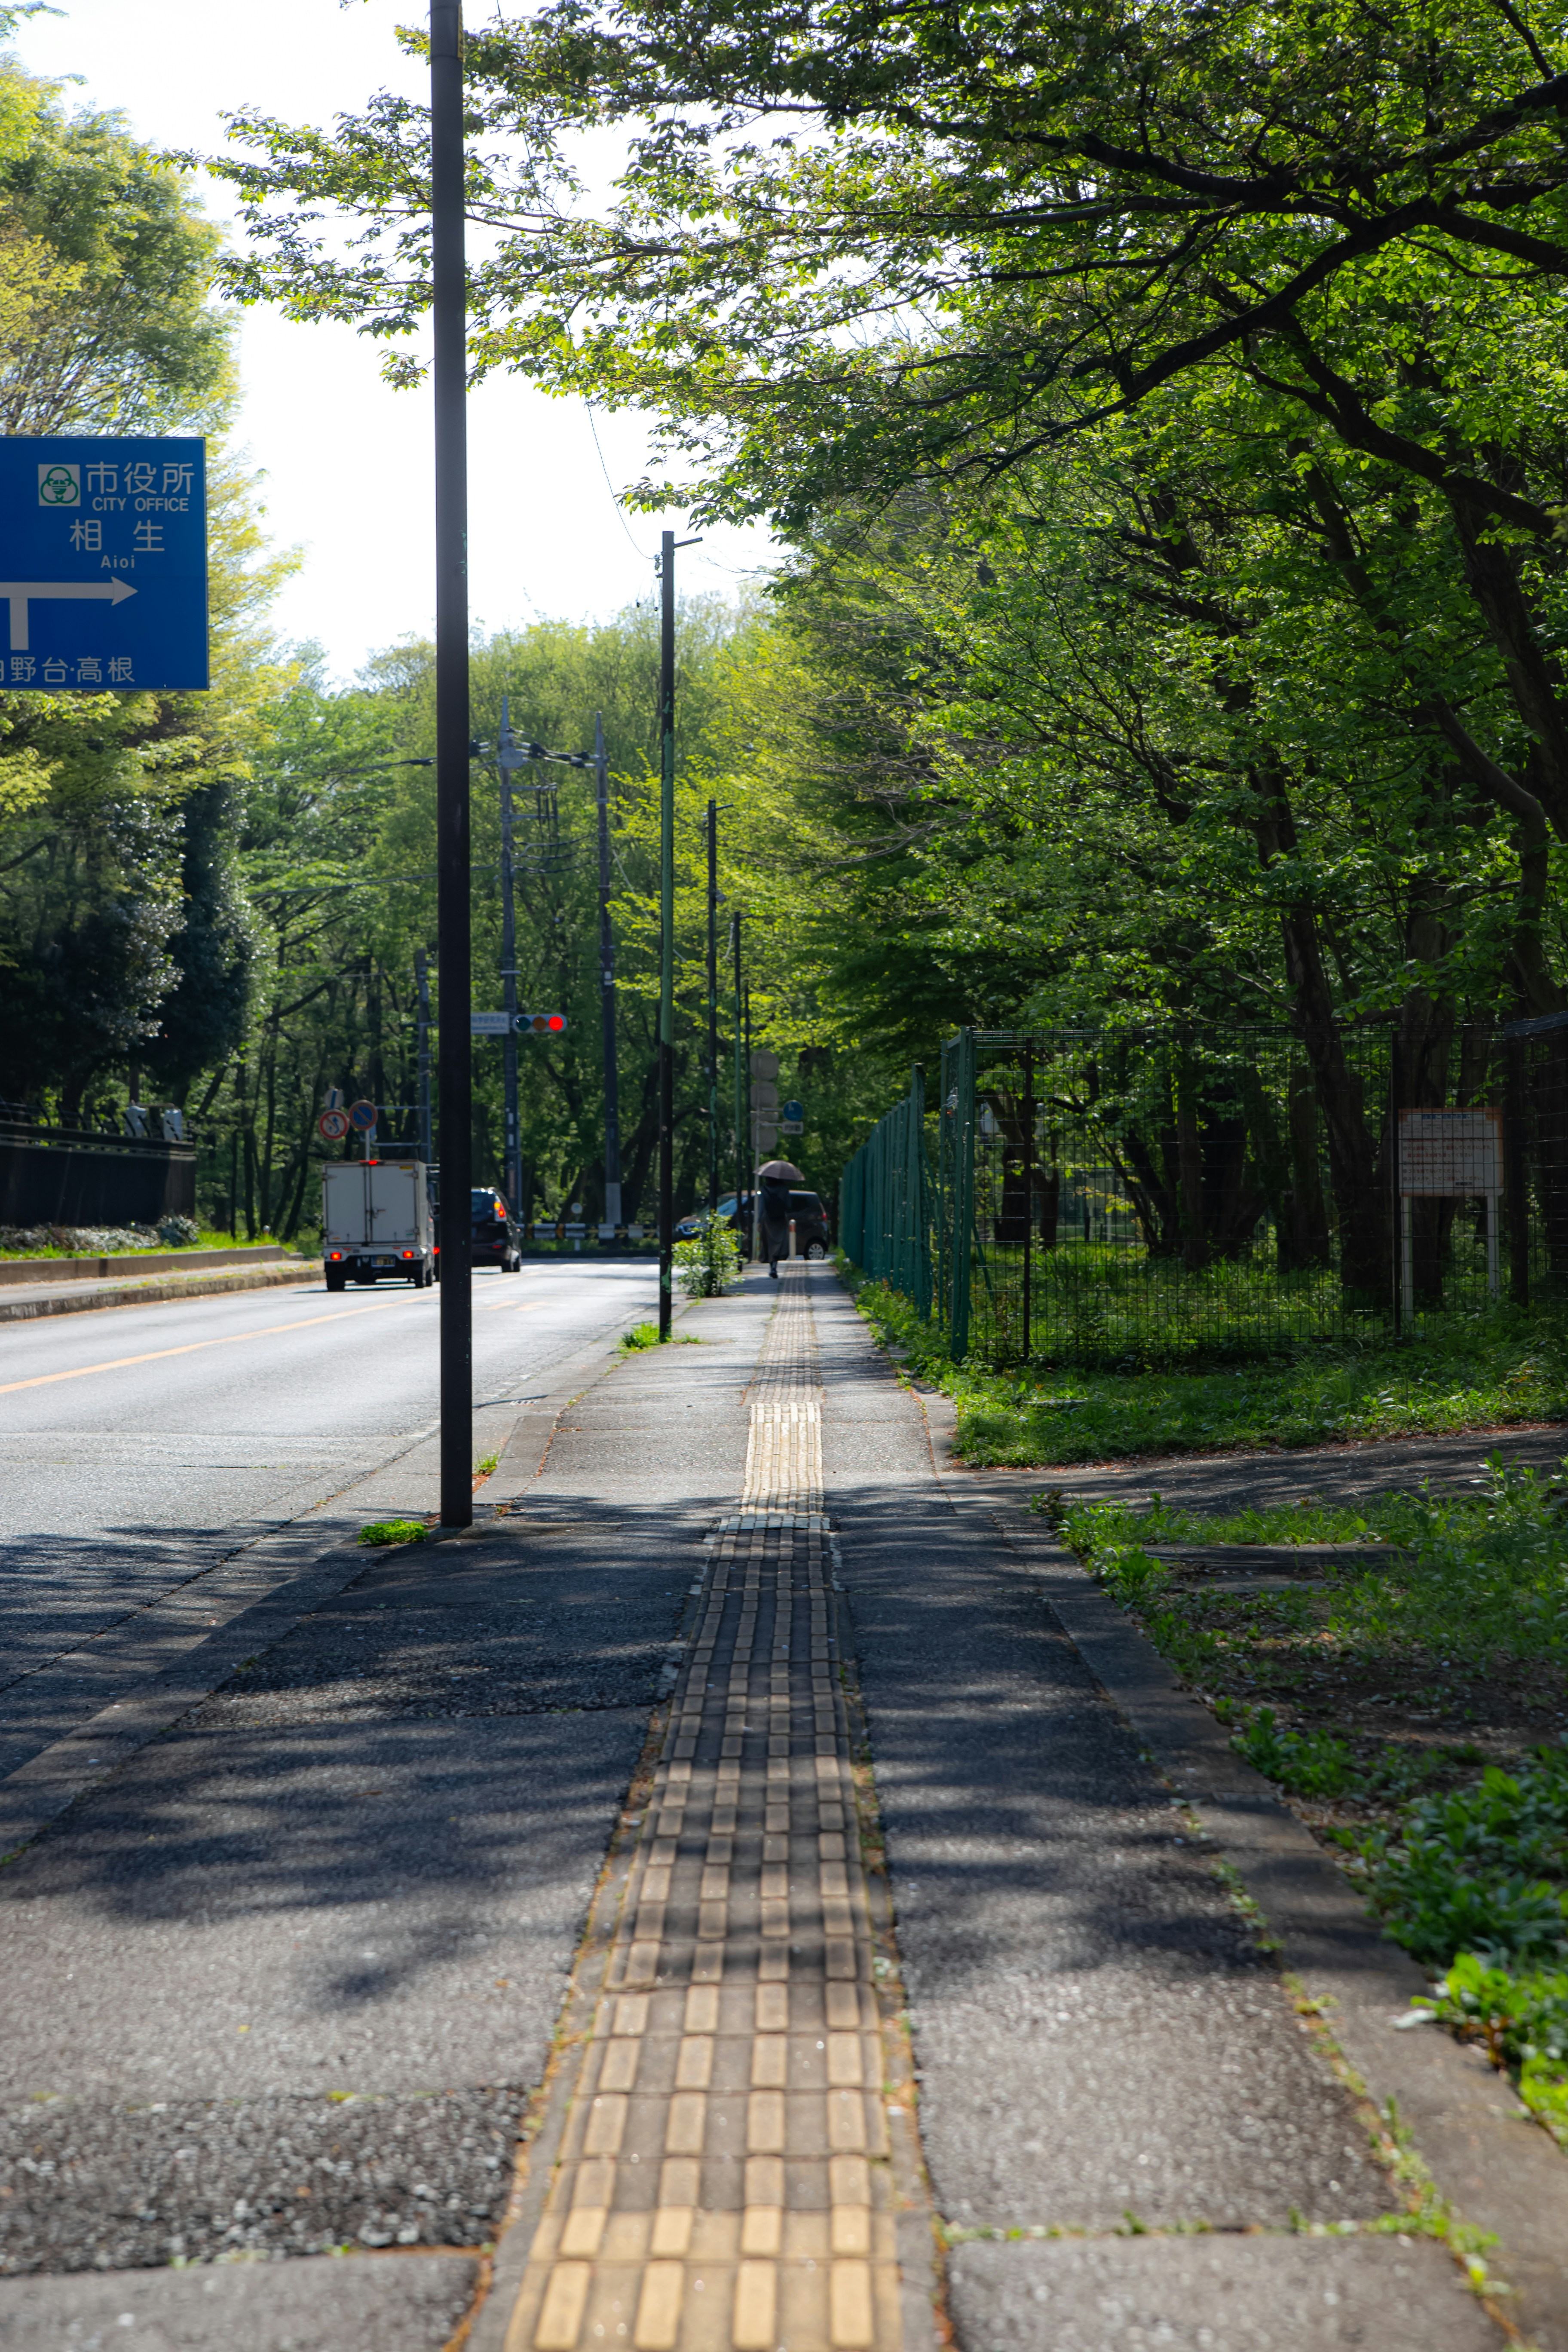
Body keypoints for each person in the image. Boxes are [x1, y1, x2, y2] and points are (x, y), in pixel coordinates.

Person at [758, 1170, 793, 1277]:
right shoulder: (784, 1190)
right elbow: (789, 1206)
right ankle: (775, 1266)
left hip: (767, 1219)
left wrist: (759, 1221)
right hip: (780, 1218)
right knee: (779, 1242)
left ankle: (771, 1266)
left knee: (769, 1242)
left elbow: (761, 1207)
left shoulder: (763, 1190)